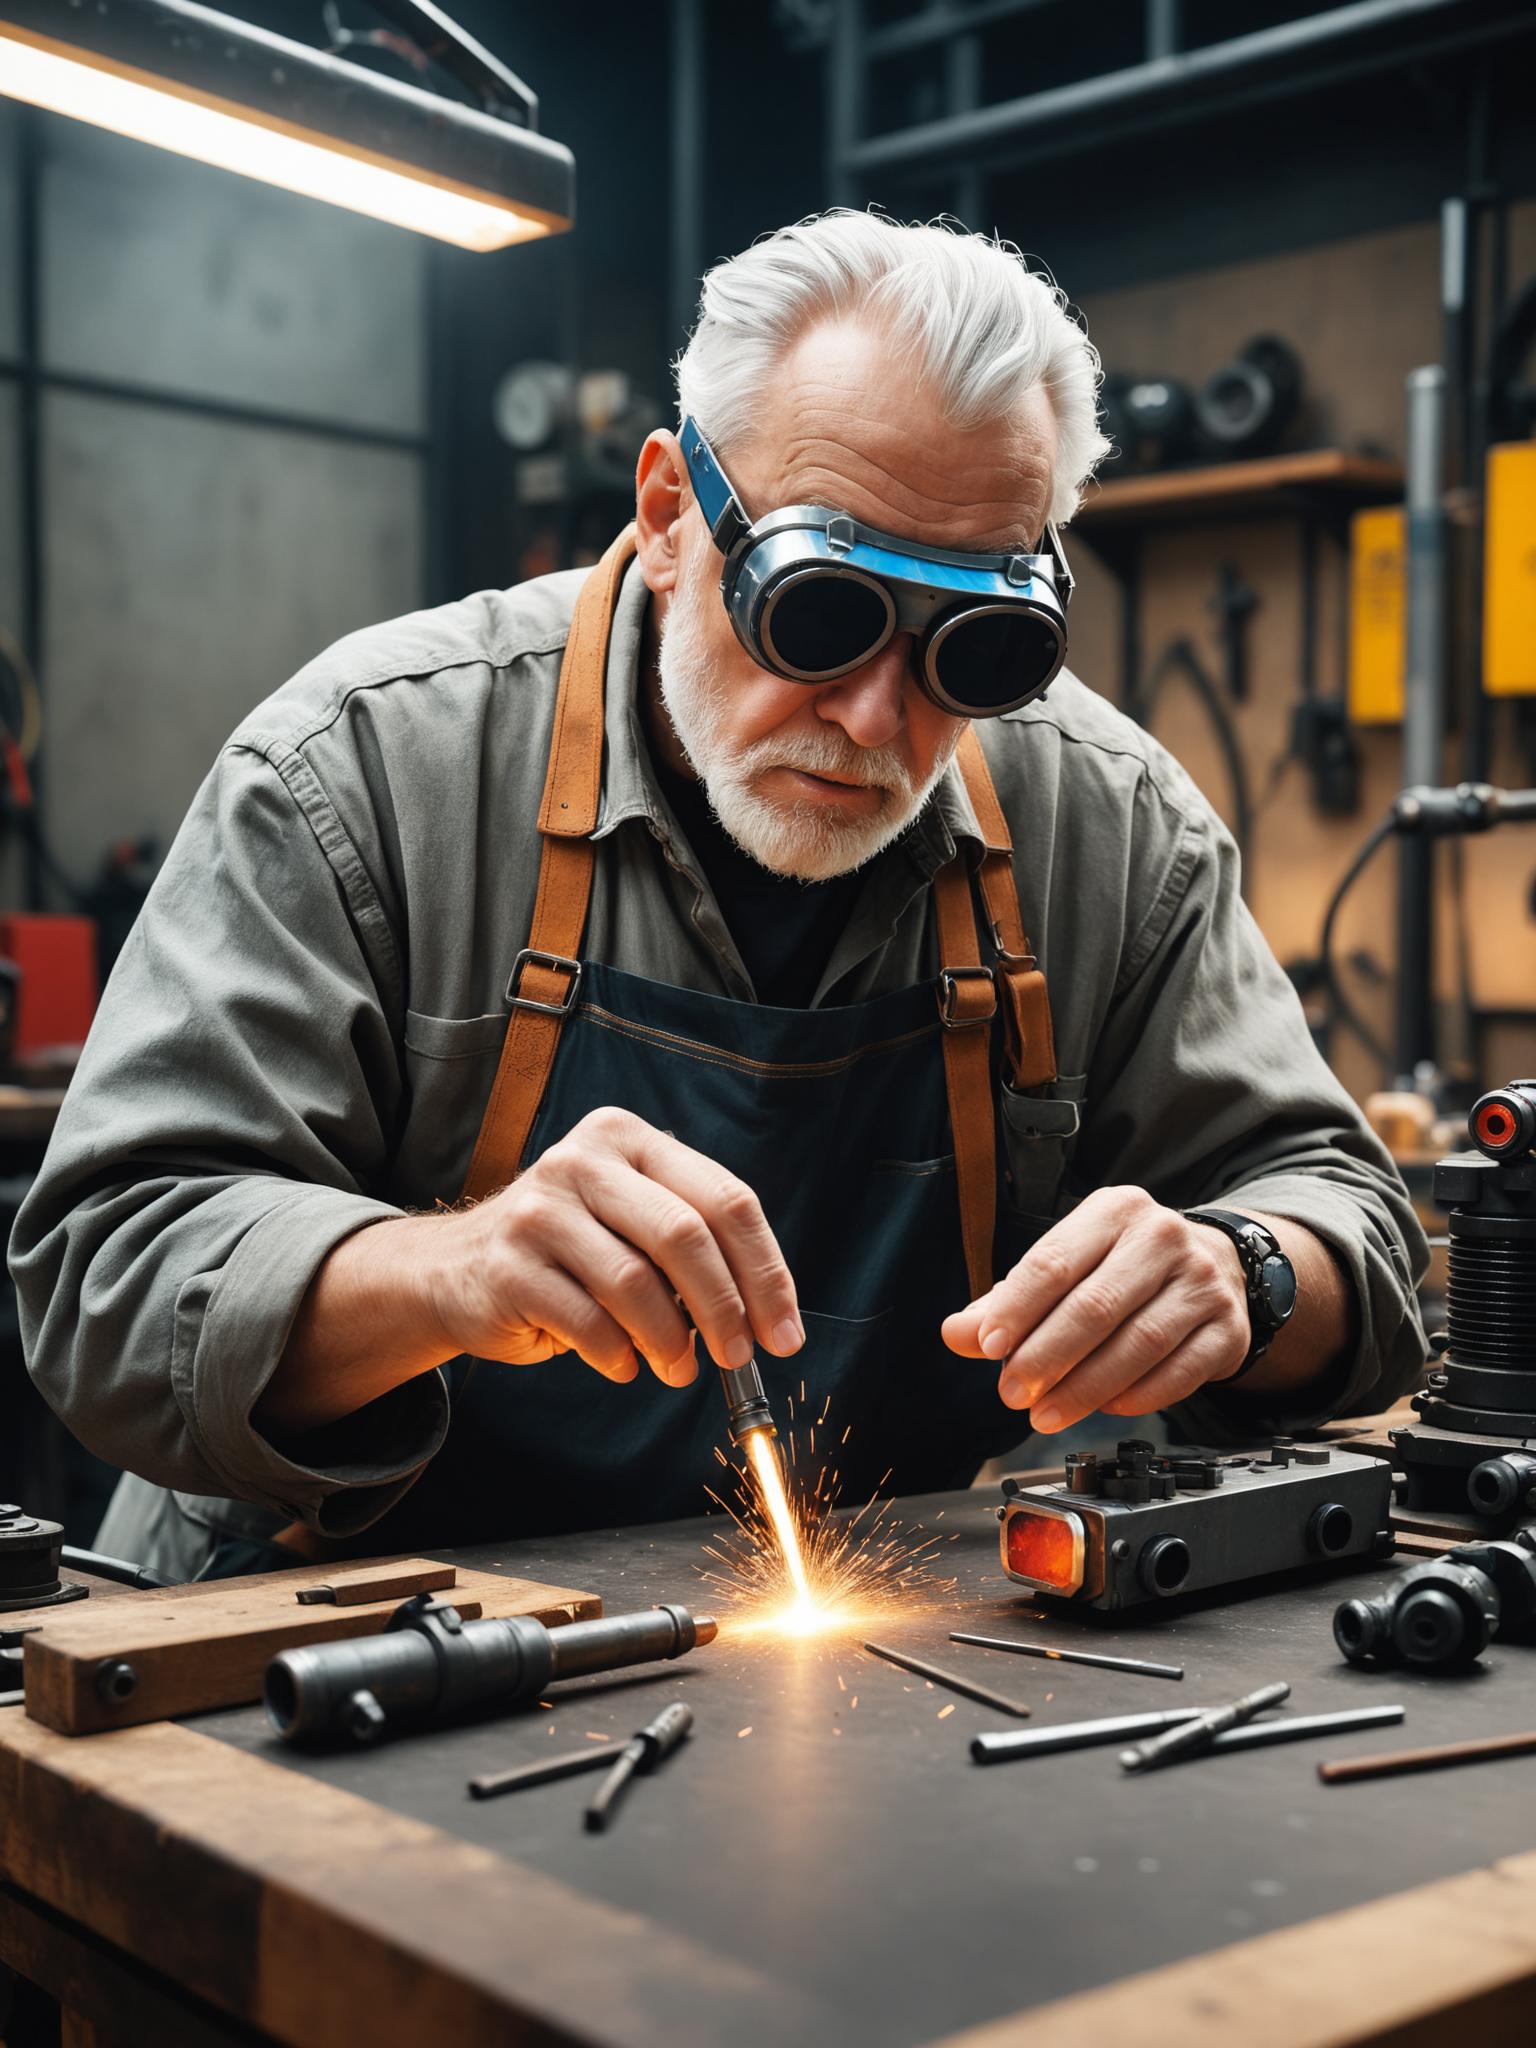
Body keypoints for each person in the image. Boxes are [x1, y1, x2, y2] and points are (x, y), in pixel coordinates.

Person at [11, 212, 1427, 1581]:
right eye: (822, 611)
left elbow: (1353, 1223)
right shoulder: (368, 768)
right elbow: (105, 1284)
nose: (876, 720)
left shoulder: (1106, 824)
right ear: (672, 511)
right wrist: (451, 1273)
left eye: (973, 652)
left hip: (852, 1648)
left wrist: (1248, 1276)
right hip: (342, 1625)